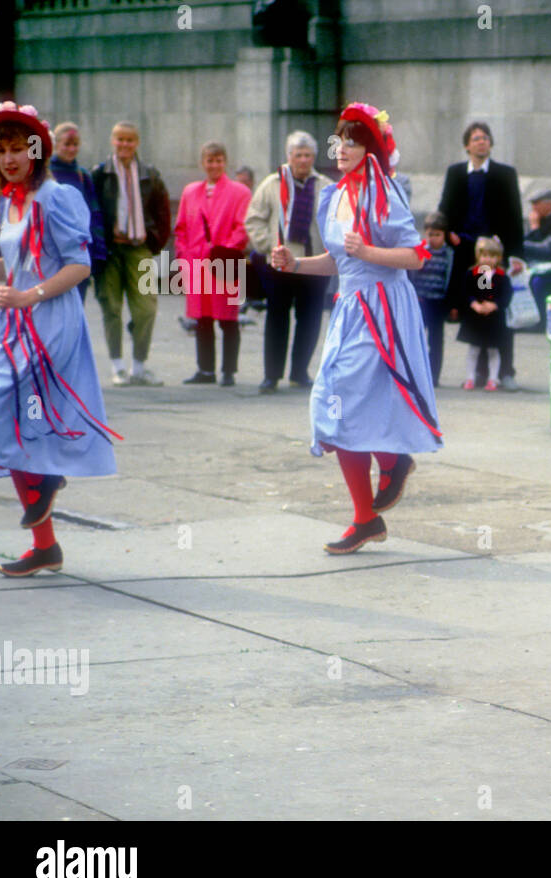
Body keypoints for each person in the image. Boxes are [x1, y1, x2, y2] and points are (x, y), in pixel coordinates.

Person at [269, 102, 441, 554]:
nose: (340, 148)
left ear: (371, 148)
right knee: (336, 405)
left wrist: (367, 253)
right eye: (338, 139)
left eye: (352, 140)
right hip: (350, 307)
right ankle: (368, 510)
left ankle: (387, 469)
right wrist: (295, 264)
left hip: (383, 309)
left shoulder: (384, 193)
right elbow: (338, 261)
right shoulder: (335, 194)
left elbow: (415, 256)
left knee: (339, 401)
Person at [0, 102, 118, 577]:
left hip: (52, 320)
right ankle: (45, 544)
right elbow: (16, 260)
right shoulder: (3, 199)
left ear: (37, 150)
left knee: (0, 406)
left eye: (18, 148)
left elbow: (78, 265)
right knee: (13, 420)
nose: (8, 158)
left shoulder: (56, 197)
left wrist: (29, 296)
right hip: (15, 321)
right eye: (0, 150)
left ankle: (44, 483)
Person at [245, 131, 335, 393]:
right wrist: (270, 247)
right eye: (298, 155)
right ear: (289, 156)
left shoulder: (325, 186)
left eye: (308, 155)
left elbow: (335, 222)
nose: (304, 160)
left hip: (314, 263)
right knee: (277, 317)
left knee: (310, 319)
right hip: (280, 264)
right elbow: (253, 219)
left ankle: (299, 372)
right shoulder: (272, 184)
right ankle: (271, 375)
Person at [437, 122, 524, 389]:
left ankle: (505, 371)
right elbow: (444, 210)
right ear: (467, 145)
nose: (481, 142)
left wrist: (516, 254)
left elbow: (515, 215)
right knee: (474, 311)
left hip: (494, 256)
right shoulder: (455, 173)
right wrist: (448, 233)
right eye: (475, 139)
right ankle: (479, 372)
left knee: (498, 309)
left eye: (485, 138)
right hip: (466, 254)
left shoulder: (504, 174)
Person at [91, 121, 171, 387]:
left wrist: (155, 242)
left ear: (137, 143)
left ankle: (139, 367)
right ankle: (118, 367)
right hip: (110, 252)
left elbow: (163, 212)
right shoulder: (100, 174)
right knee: (111, 307)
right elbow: (91, 211)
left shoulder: (150, 174)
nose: (124, 145)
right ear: (112, 141)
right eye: (119, 140)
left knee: (146, 308)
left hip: (140, 249)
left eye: (129, 140)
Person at [175, 141, 251, 386]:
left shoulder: (240, 192)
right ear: (202, 163)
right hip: (196, 261)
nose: (214, 165)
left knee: (228, 319)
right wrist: (184, 253)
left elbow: (243, 226)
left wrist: (226, 248)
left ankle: (228, 371)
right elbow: (181, 228)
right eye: (210, 160)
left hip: (224, 260)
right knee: (202, 318)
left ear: (225, 162)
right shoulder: (190, 192)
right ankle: (205, 370)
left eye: (219, 160)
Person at [47, 122, 106, 304]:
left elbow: (94, 214)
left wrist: (98, 251)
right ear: (56, 144)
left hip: (78, 251)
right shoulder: (46, 172)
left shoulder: (83, 175)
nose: (71, 149)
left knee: (76, 305)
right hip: (51, 250)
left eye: (75, 144)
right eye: (67, 144)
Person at [455, 236, 512, 390]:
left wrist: (494, 305)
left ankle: (493, 379)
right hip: (475, 318)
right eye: (485, 255)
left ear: (498, 258)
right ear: (478, 256)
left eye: (492, 256)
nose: (488, 259)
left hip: (494, 319)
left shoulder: (502, 276)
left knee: (493, 350)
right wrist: (474, 304)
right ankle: (470, 378)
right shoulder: (472, 273)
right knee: (474, 349)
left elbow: (506, 296)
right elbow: (465, 293)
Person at [409, 212, 455, 386]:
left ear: (444, 235)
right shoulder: (421, 251)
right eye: (430, 234)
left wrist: (450, 304)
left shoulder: (448, 254)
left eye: (437, 235)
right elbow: (411, 273)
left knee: (436, 341)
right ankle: (416, 374)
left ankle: (434, 376)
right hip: (421, 301)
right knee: (417, 338)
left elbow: (449, 279)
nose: (433, 238)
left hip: (438, 302)